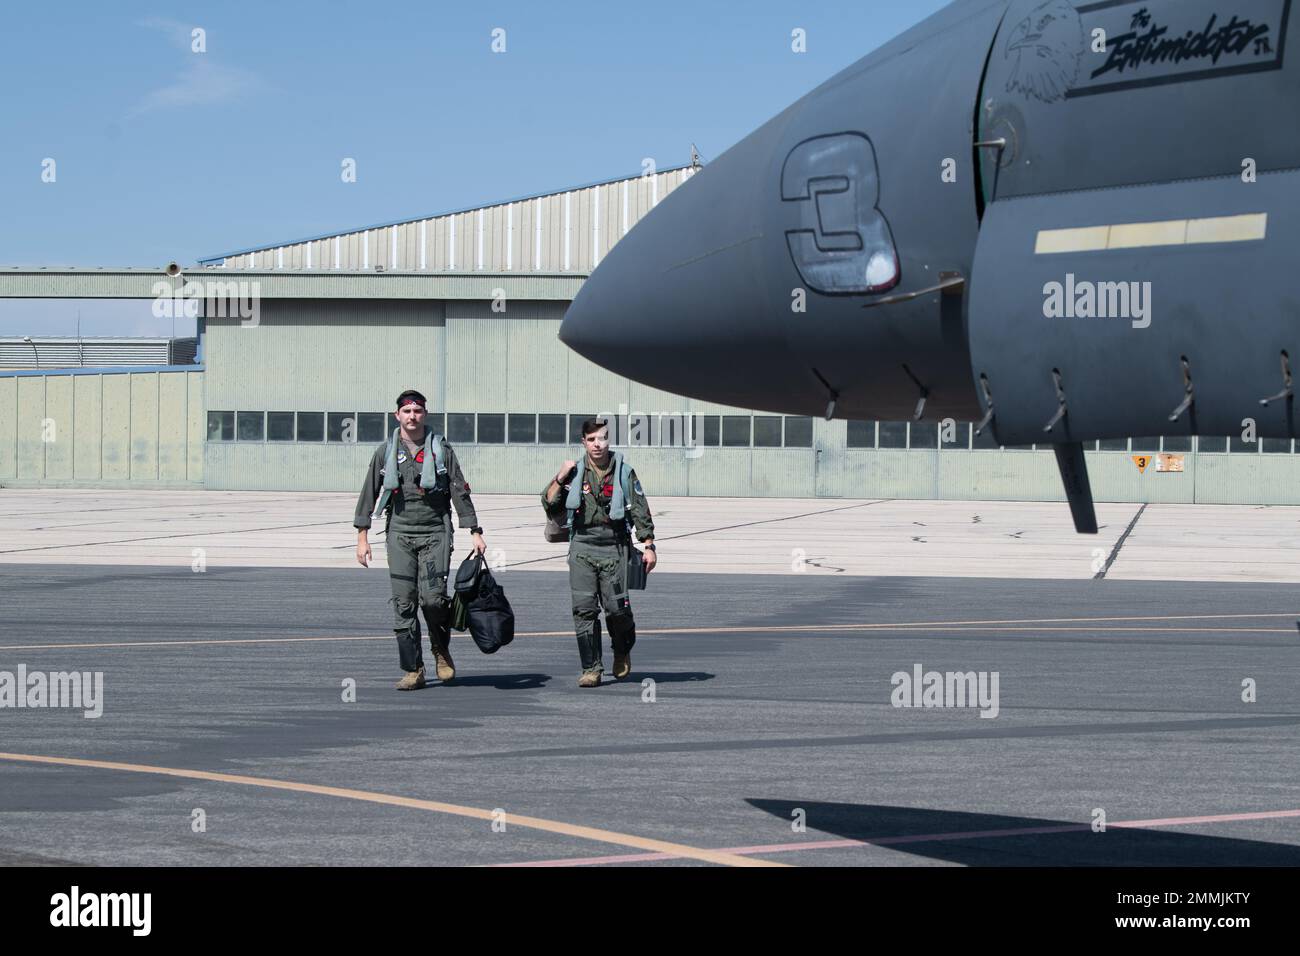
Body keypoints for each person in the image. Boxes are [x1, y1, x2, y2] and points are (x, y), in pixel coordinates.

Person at [355, 390, 486, 690]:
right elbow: (369, 492)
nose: (412, 416)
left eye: (417, 411)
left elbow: (459, 490)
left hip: (435, 532)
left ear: (425, 414)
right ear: (397, 416)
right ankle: (413, 669)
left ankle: (440, 650)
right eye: (407, 411)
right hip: (400, 533)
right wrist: (362, 537)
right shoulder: (384, 452)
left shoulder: (441, 450)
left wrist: (474, 530)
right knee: (403, 604)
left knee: (433, 599)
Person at [542, 418, 656, 687]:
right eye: (591, 439)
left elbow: (640, 509)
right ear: (584, 442)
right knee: (583, 610)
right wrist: (560, 476)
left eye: (602, 438)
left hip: (614, 547)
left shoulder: (625, 473)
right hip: (582, 546)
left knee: (618, 610)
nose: (597, 444)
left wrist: (648, 545)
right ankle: (591, 668)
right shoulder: (573, 473)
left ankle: (621, 650)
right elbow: (548, 503)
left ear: (609, 440)